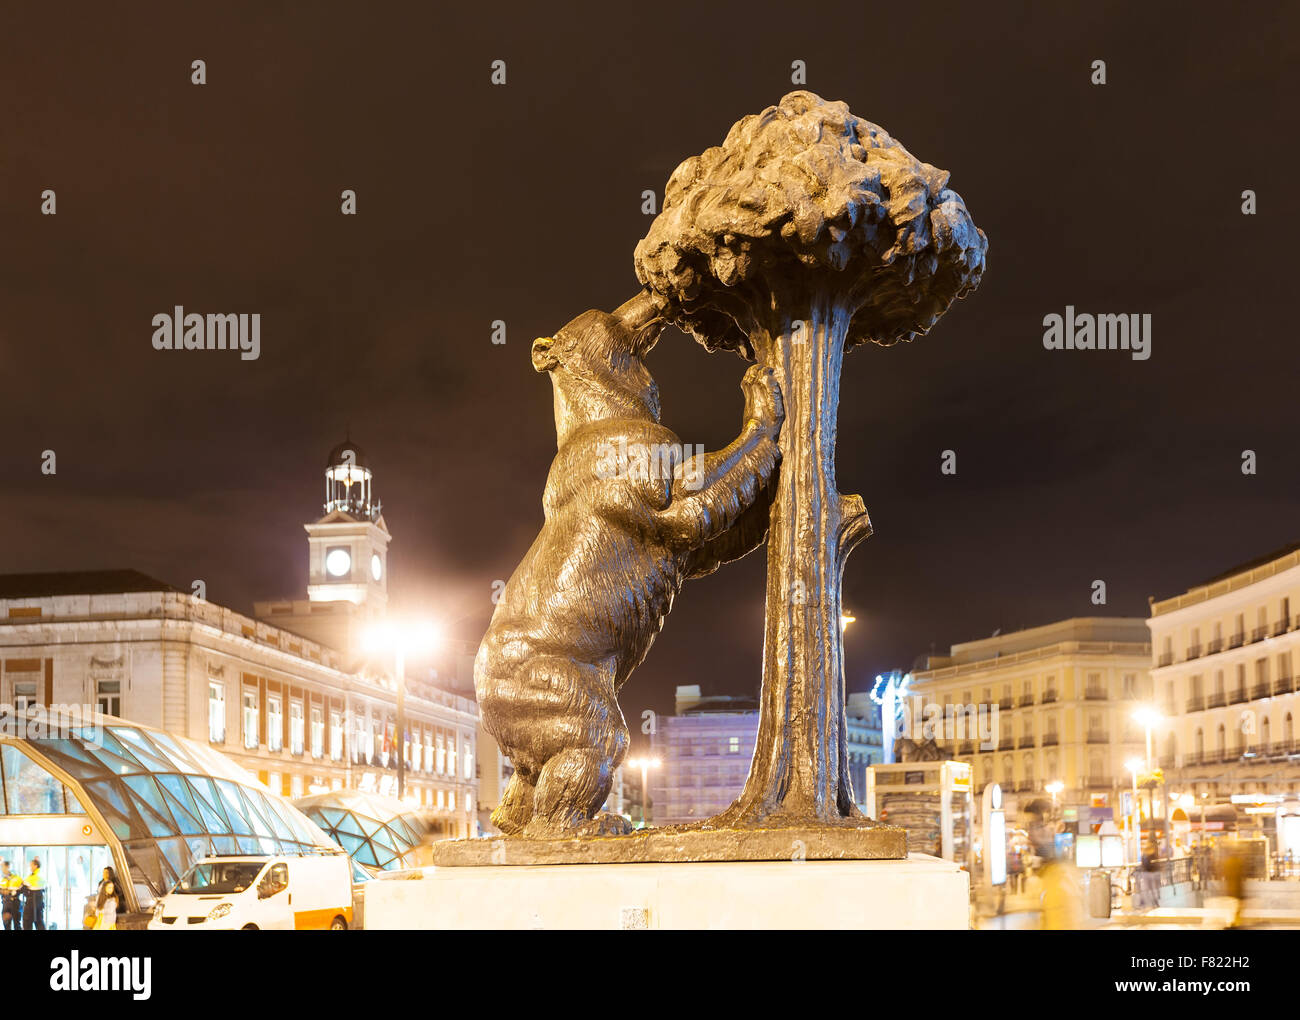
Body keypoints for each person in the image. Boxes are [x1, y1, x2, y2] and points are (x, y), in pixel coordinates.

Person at [22, 859, 45, 931]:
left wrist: (24, 883)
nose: (30, 867)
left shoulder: (35, 876)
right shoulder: (41, 874)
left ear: (35, 866)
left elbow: (25, 883)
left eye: (31, 865)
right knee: (39, 921)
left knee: (27, 921)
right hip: (39, 900)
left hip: (32, 900)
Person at [0, 861, 22, 931]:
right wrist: (3, 891)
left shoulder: (17, 878)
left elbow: (22, 889)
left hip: (14, 903)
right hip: (5, 903)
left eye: (3, 867)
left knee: (17, 924)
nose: (2, 869)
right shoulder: (3, 879)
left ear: (8, 867)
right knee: (6, 924)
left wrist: (11, 892)